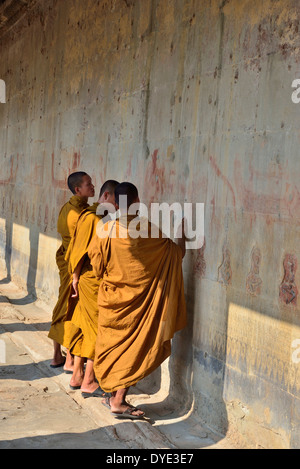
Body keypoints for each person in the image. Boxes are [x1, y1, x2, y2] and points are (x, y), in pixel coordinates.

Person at [88, 182, 187, 419]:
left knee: (112, 347)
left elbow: (96, 264)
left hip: (112, 299)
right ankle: (119, 401)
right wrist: (181, 233)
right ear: (136, 201)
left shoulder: (104, 229)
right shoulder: (144, 228)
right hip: (136, 303)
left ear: (115, 202)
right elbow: (175, 254)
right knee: (132, 348)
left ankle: (111, 394)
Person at [65, 180, 119, 397]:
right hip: (89, 280)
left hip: (90, 279)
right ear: (106, 196)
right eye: (116, 201)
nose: (117, 207)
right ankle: (89, 380)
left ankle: (77, 374)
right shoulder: (92, 218)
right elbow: (80, 251)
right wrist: (75, 279)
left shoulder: (98, 216)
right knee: (97, 330)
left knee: (85, 328)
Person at [48, 172, 95, 371]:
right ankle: (66, 359)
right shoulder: (77, 214)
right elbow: (80, 247)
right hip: (72, 265)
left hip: (68, 262)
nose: (92, 187)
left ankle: (60, 356)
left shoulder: (72, 208)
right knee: (69, 310)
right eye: (88, 184)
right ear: (78, 190)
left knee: (64, 307)